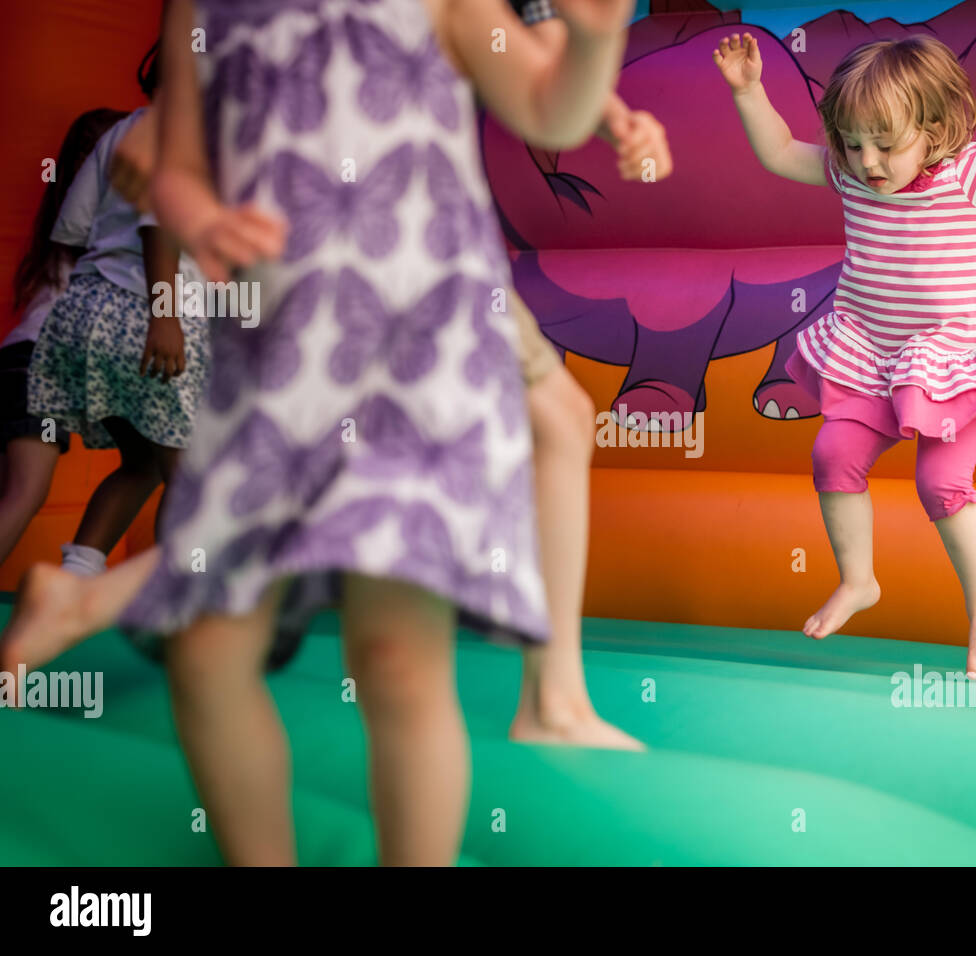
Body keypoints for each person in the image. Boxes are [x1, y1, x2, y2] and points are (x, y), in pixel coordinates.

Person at [4, 0, 666, 753]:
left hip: (399, 235)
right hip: (381, 241)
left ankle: (87, 599)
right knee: (356, 482)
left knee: (511, 433)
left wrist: (601, 93)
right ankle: (552, 703)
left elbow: (534, 71)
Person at [713, 33, 976, 678]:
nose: (867, 160)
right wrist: (748, 91)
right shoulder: (850, 173)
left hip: (951, 360)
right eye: (852, 142)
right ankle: (859, 581)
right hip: (870, 351)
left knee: (941, 482)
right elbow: (779, 152)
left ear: (933, 128)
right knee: (832, 455)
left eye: (885, 142)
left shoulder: (970, 173)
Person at [25, 42, 209, 584]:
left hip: (85, 314)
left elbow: (74, 230)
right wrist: (164, 317)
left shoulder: (121, 131)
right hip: (147, 313)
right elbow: (159, 223)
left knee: (143, 463)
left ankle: (73, 582)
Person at [0, 108, 126, 566]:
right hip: (39, 372)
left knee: (9, 495)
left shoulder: (59, 226)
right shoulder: (101, 229)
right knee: (26, 495)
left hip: (14, 363)